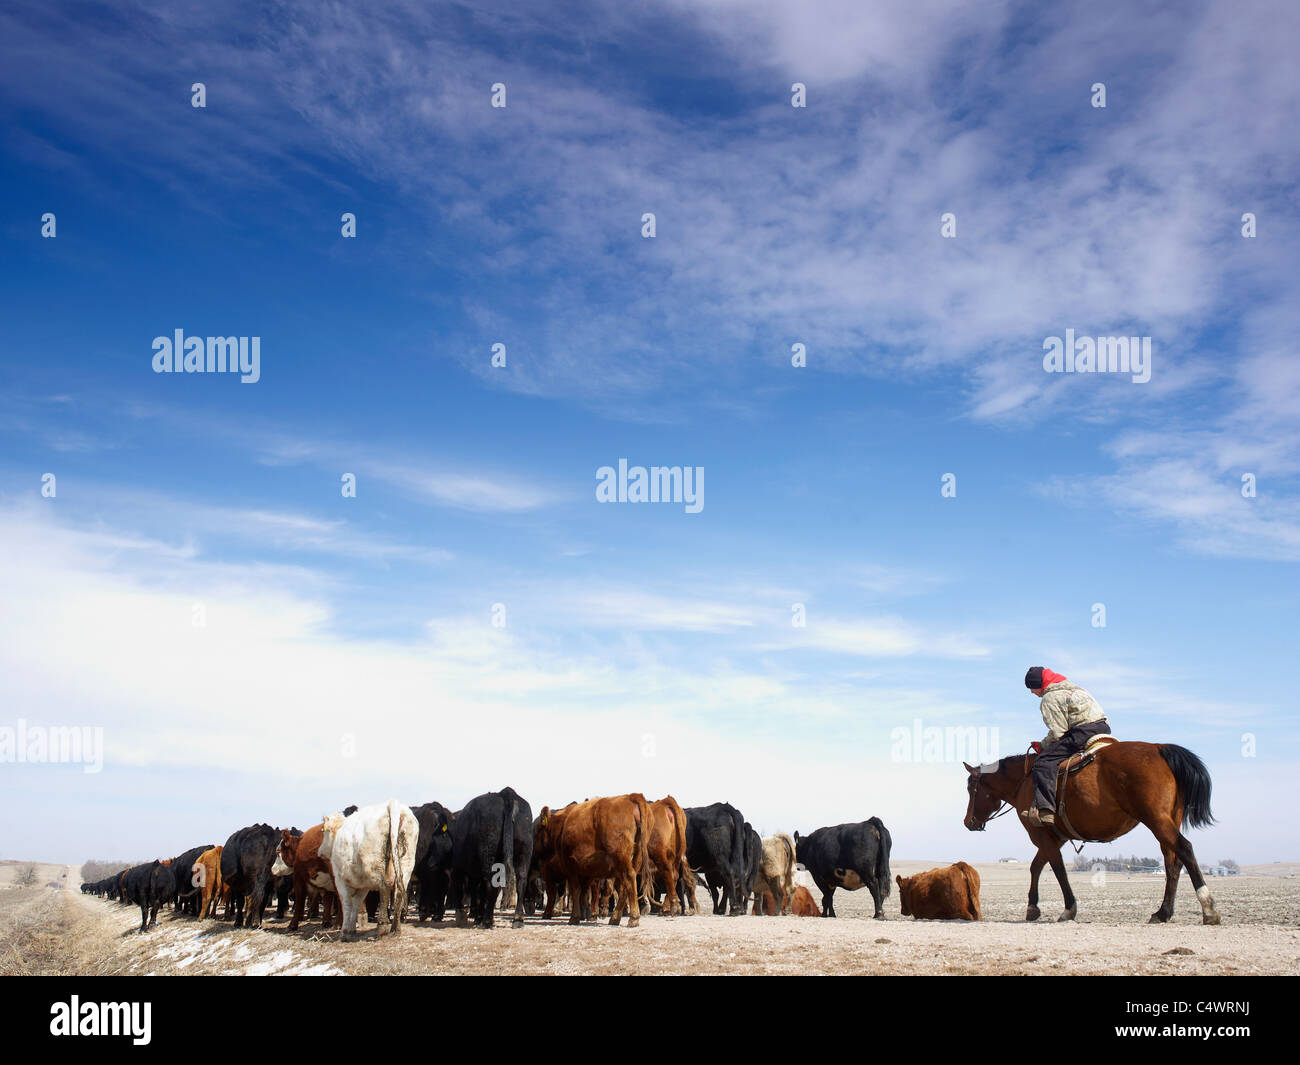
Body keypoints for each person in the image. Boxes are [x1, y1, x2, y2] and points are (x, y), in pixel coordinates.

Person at [1022, 666, 1110, 826]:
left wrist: (1042, 745)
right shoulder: (1077, 689)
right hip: (1102, 728)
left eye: (1032, 688)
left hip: (1082, 733)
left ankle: (1046, 810)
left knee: (1042, 763)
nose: (1032, 692)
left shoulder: (1050, 698)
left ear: (1039, 685)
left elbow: (1058, 732)